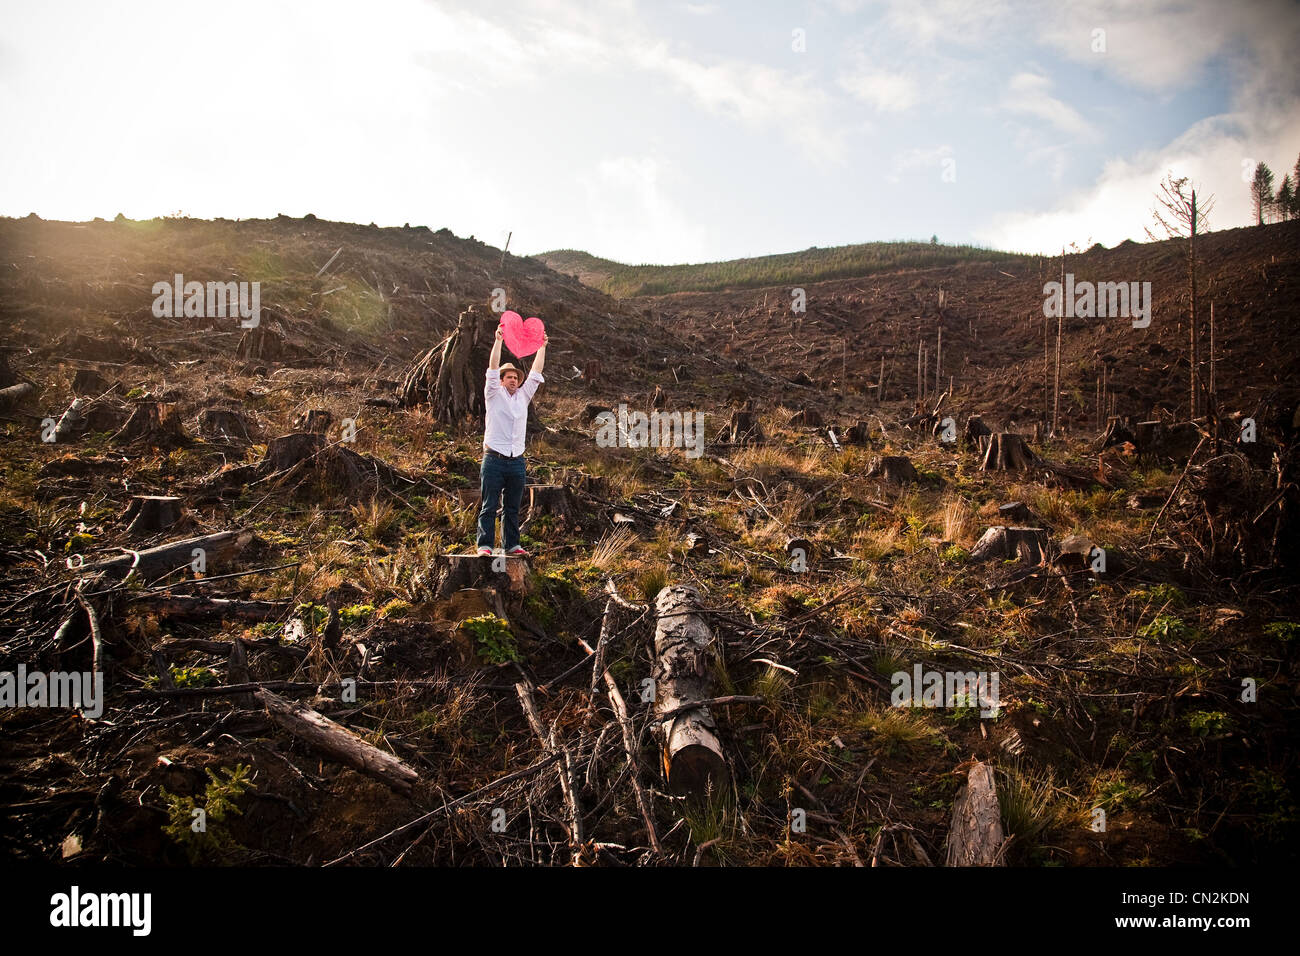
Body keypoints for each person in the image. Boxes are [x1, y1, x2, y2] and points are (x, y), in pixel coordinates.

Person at [476, 321, 547, 556]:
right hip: (494, 459)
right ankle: (485, 546)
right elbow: (492, 368)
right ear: (502, 380)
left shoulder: (523, 397)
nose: (513, 380)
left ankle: (512, 545)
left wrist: (542, 347)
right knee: (489, 505)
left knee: (512, 507)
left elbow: (536, 375)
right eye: (508, 377)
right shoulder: (493, 394)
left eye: (515, 377)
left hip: (516, 461)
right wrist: (498, 340)